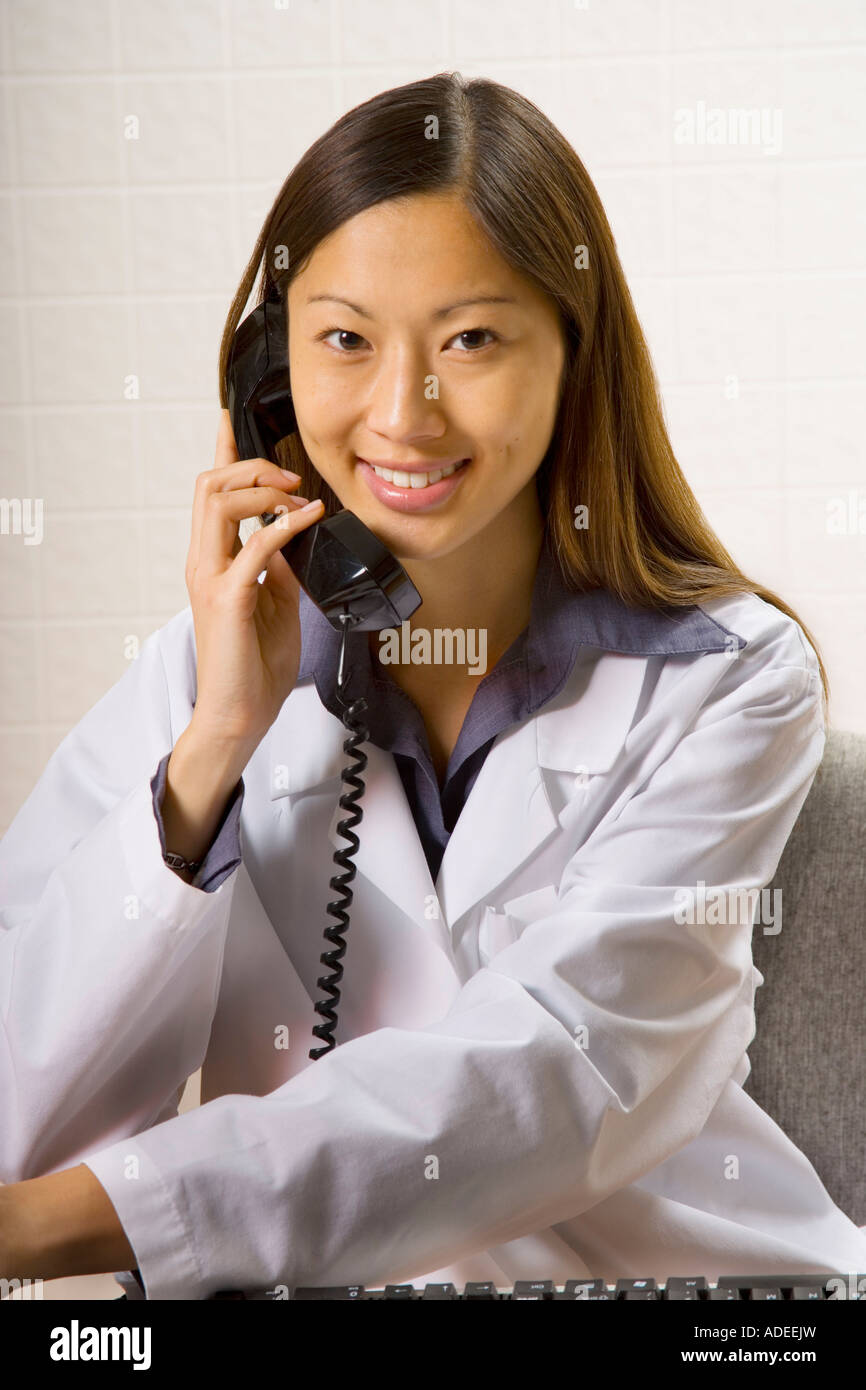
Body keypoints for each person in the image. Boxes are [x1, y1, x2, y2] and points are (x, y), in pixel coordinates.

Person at [1, 72, 864, 1301]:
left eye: (469, 339)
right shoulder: (210, 675)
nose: (401, 415)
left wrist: (75, 1226)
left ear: (572, 357)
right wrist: (214, 749)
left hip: (696, 1306)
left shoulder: (728, 684)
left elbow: (556, 1074)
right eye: (342, 339)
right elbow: (14, 1112)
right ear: (266, 376)